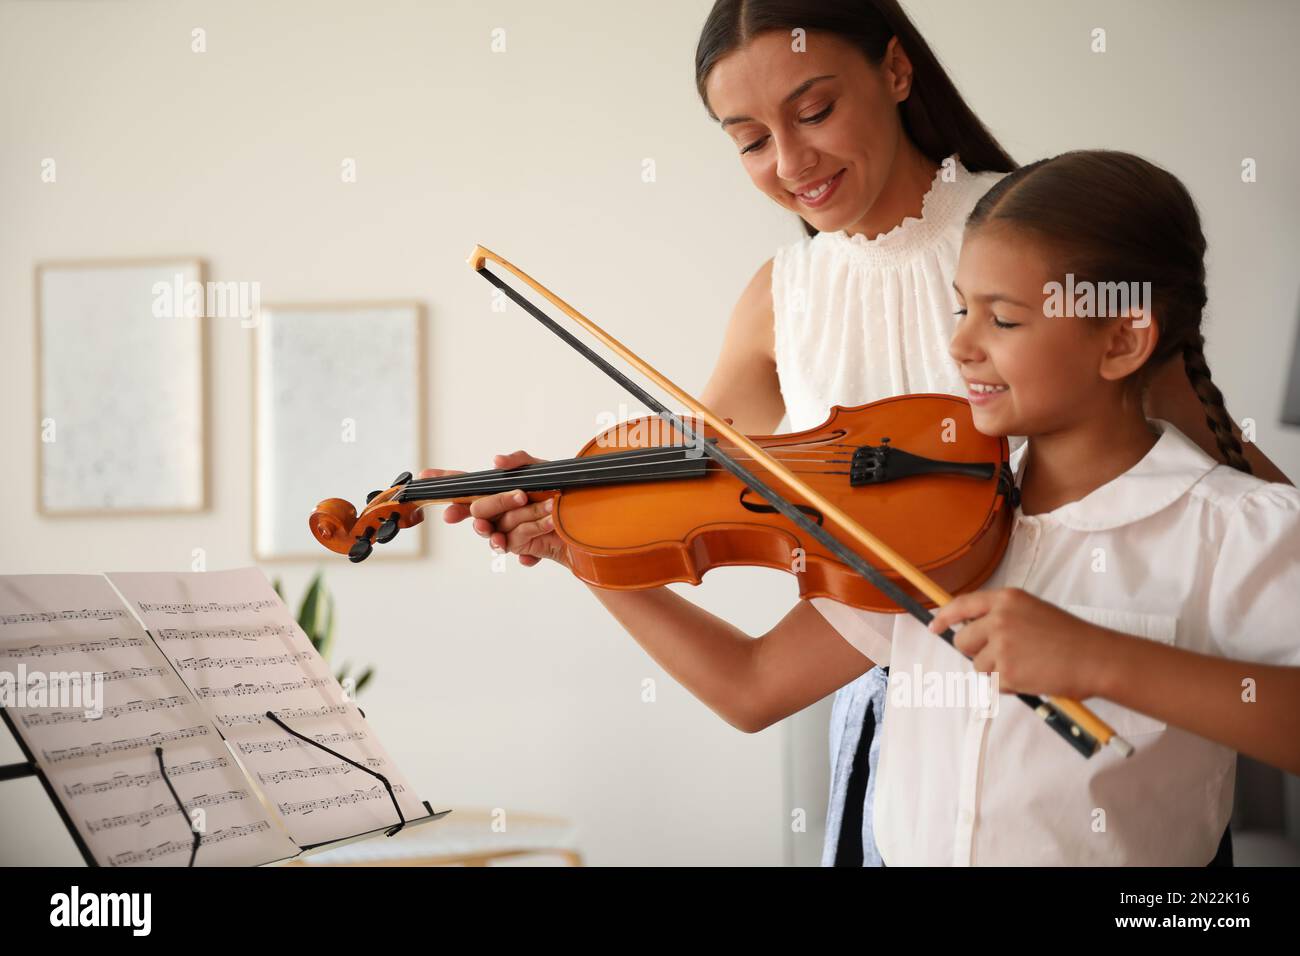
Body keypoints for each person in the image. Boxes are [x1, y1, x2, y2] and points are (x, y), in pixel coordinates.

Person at [425, 1, 1291, 865]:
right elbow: (708, 469)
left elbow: (1200, 476)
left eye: (814, 111)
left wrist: (1112, 643)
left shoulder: (1033, 231)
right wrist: (574, 501)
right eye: (750, 139)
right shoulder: (784, 294)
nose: (791, 161)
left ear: (896, 71)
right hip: (905, 690)